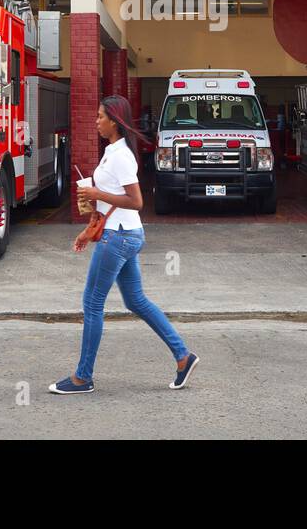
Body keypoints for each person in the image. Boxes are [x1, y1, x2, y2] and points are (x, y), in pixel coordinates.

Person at [49, 96, 198, 394]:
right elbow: (110, 195)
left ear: (115, 121)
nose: (96, 121)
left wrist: (97, 193)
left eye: (101, 117)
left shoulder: (121, 156)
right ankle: (183, 357)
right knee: (135, 301)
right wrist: (87, 228)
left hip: (118, 238)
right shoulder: (112, 152)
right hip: (123, 234)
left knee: (92, 303)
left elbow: (136, 201)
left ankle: (82, 377)